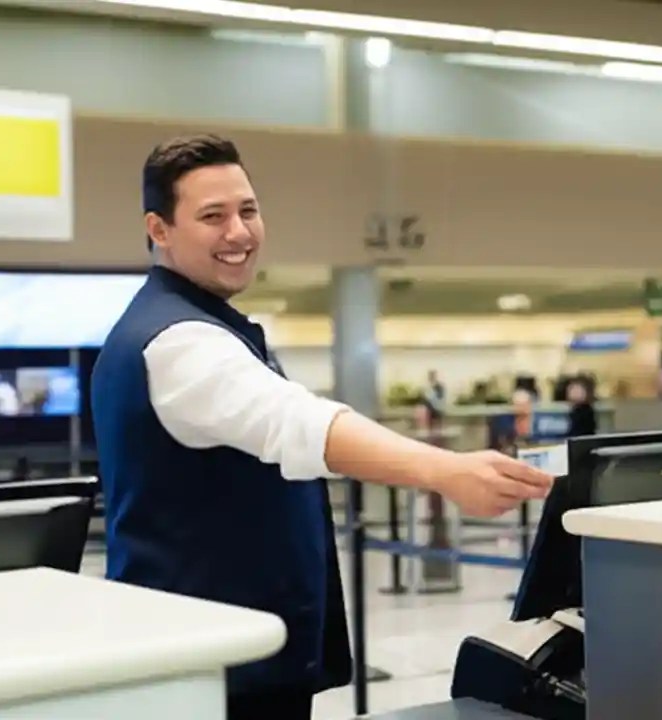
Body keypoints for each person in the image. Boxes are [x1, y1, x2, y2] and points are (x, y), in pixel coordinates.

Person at [90, 135, 553, 720]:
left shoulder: (204, 326)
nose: (239, 232)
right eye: (213, 216)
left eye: (248, 210)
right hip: (211, 668)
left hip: (234, 655)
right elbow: (299, 422)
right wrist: (446, 470)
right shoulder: (179, 341)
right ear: (159, 229)